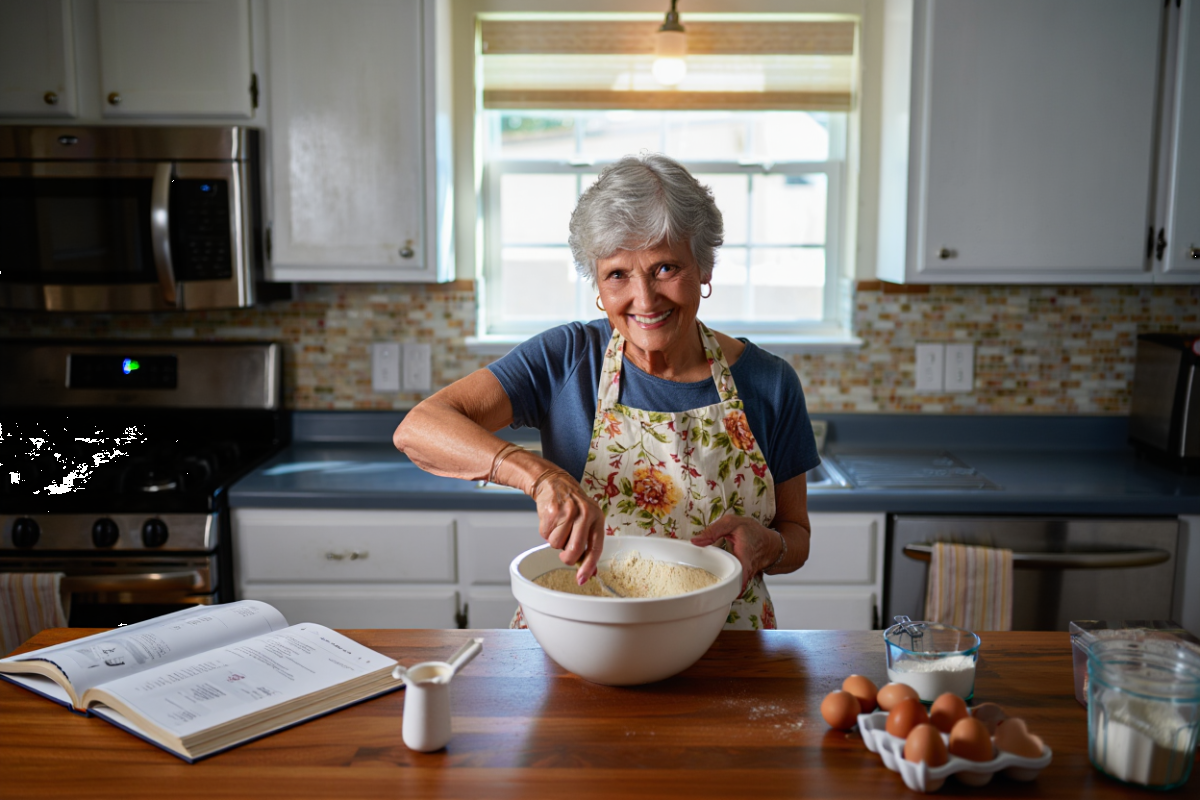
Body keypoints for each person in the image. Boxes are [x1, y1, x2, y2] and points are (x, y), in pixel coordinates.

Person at [393, 153, 820, 630]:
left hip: (723, 646)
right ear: (596, 281)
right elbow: (420, 428)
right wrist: (539, 477)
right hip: (581, 636)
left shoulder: (769, 382)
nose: (644, 299)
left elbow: (795, 535)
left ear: (704, 267)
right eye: (618, 274)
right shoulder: (567, 358)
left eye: (665, 268)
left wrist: (771, 547)